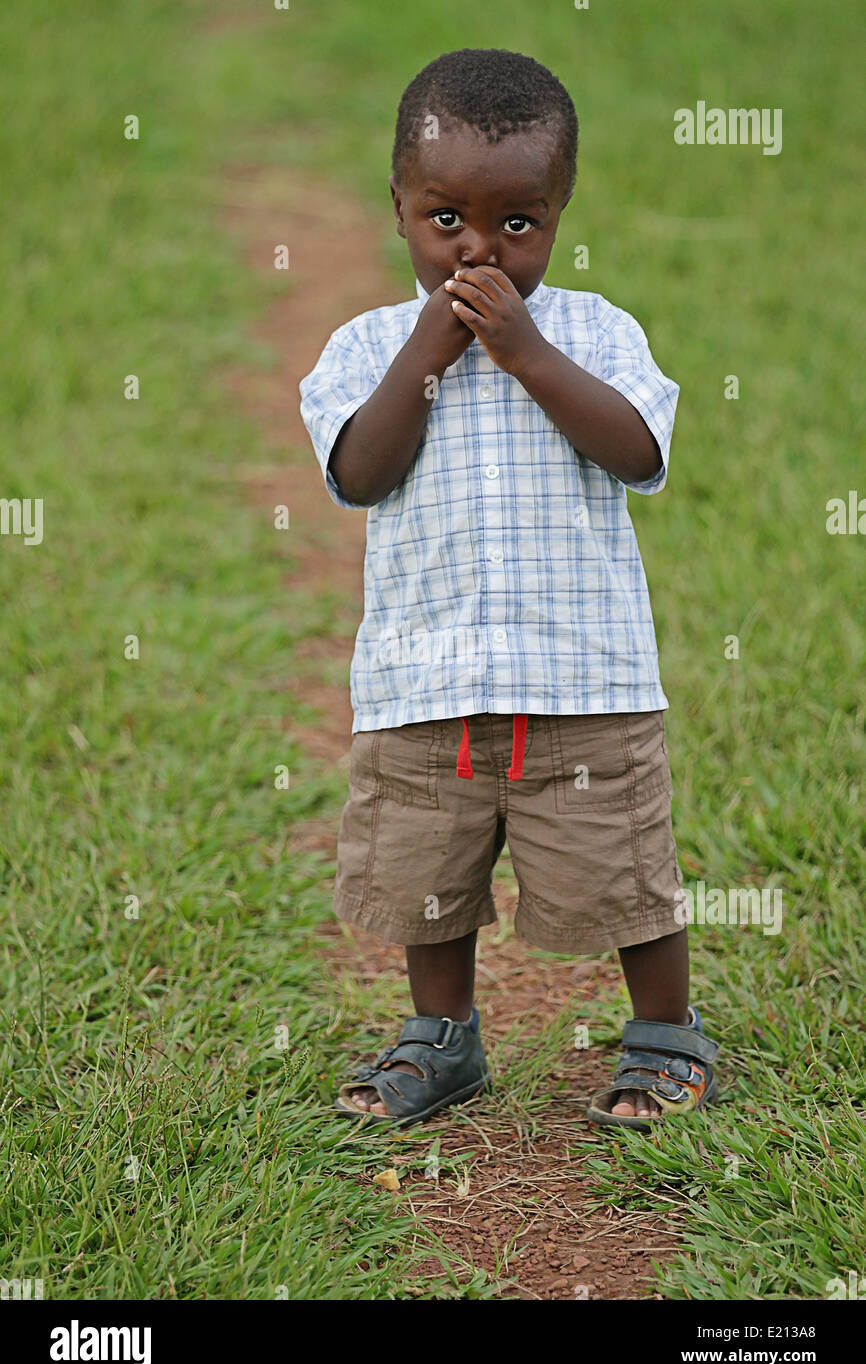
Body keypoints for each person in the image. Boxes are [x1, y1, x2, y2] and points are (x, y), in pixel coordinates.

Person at [299, 48, 719, 1132]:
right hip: (421, 683)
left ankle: (664, 1034)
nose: (478, 248)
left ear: (557, 213)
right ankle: (441, 1038)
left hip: (583, 678)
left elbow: (634, 452)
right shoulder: (366, 348)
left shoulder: (591, 332)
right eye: (445, 218)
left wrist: (525, 352)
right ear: (396, 207)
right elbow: (358, 472)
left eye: (517, 225)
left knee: (621, 868)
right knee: (425, 874)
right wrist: (427, 353)